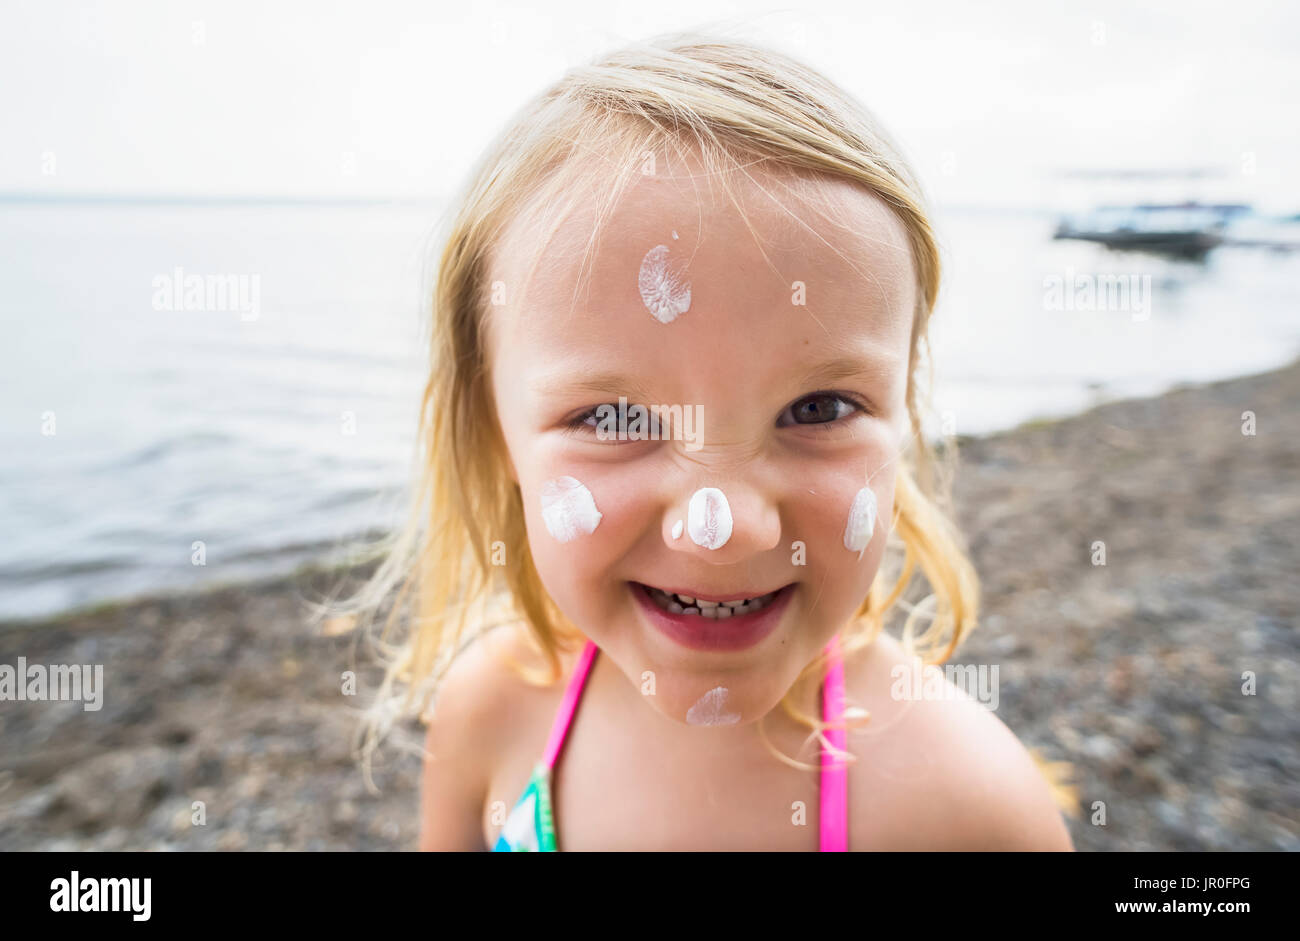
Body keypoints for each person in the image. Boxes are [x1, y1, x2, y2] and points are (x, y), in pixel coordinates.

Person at [324, 30, 1076, 851]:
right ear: (495, 433)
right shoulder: (492, 711)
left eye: (819, 407)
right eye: (613, 419)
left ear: (904, 416)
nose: (723, 526)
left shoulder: (963, 807)